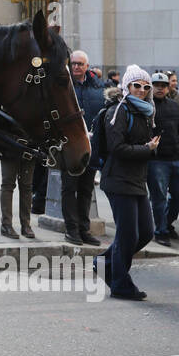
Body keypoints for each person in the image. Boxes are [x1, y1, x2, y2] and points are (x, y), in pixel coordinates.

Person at [97, 65, 158, 300]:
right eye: (136, 85)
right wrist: (147, 149)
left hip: (136, 178)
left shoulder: (146, 111)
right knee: (128, 234)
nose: (141, 90)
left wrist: (150, 147)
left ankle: (104, 262)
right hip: (118, 178)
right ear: (126, 87)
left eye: (145, 86)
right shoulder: (119, 110)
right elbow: (117, 147)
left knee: (145, 233)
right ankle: (121, 284)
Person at [61, 49, 106, 245]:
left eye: (80, 64)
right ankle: (71, 229)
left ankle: (84, 229)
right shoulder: (63, 85)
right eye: (73, 64)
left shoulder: (98, 86)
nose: (76, 67)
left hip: (91, 146)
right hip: (70, 146)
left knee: (87, 189)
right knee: (70, 188)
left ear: (87, 66)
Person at [147, 71, 179, 246]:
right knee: (159, 197)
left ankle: (167, 223)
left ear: (167, 88)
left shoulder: (173, 105)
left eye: (163, 86)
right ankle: (161, 231)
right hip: (157, 161)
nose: (159, 88)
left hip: (177, 158)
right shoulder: (146, 106)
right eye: (156, 85)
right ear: (151, 87)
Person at [0, 105, 36, 239]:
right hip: (10, 149)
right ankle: (7, 224)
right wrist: (2, 146)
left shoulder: (31, 97)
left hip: (28, 149)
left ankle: (25, 224)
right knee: (8, 185)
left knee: (26, 187)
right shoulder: (0, 102)